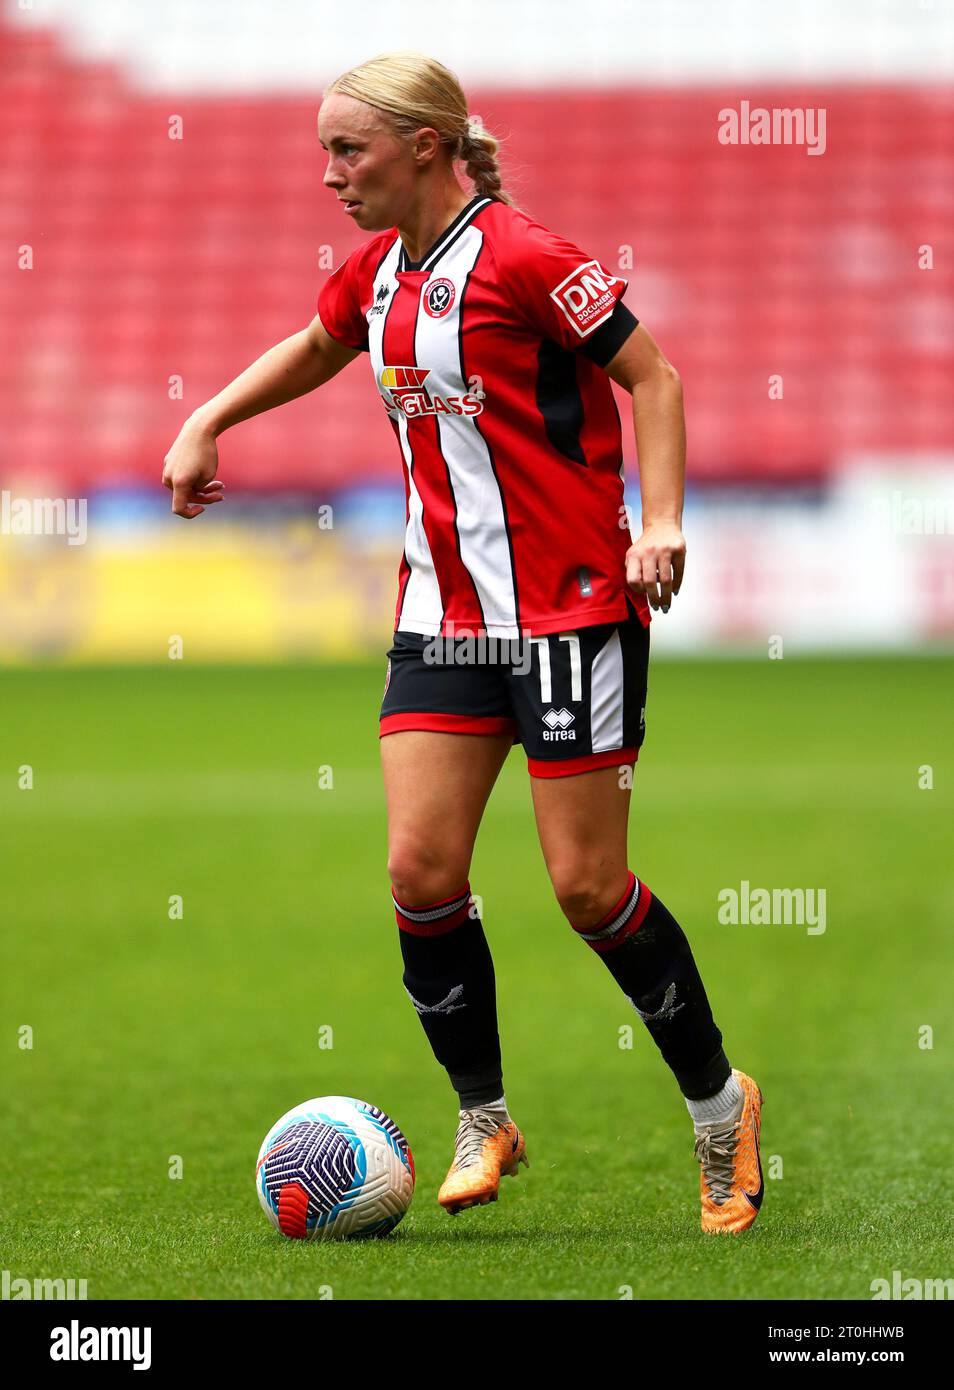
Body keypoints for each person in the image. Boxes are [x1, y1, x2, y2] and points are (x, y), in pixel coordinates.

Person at [162, 50, 764, 1235]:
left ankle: (717, 1105)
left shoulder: (532, 258)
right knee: (419, 872)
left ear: (426, 146)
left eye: (349, 149)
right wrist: (208, 414)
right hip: (439, 618)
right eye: (324, 151)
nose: (329, 173)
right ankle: (483, 1115)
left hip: (571, 608)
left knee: (589, 890)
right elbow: (318, 344)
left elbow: (655, 376)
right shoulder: (377, 274)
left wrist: (667, 520)